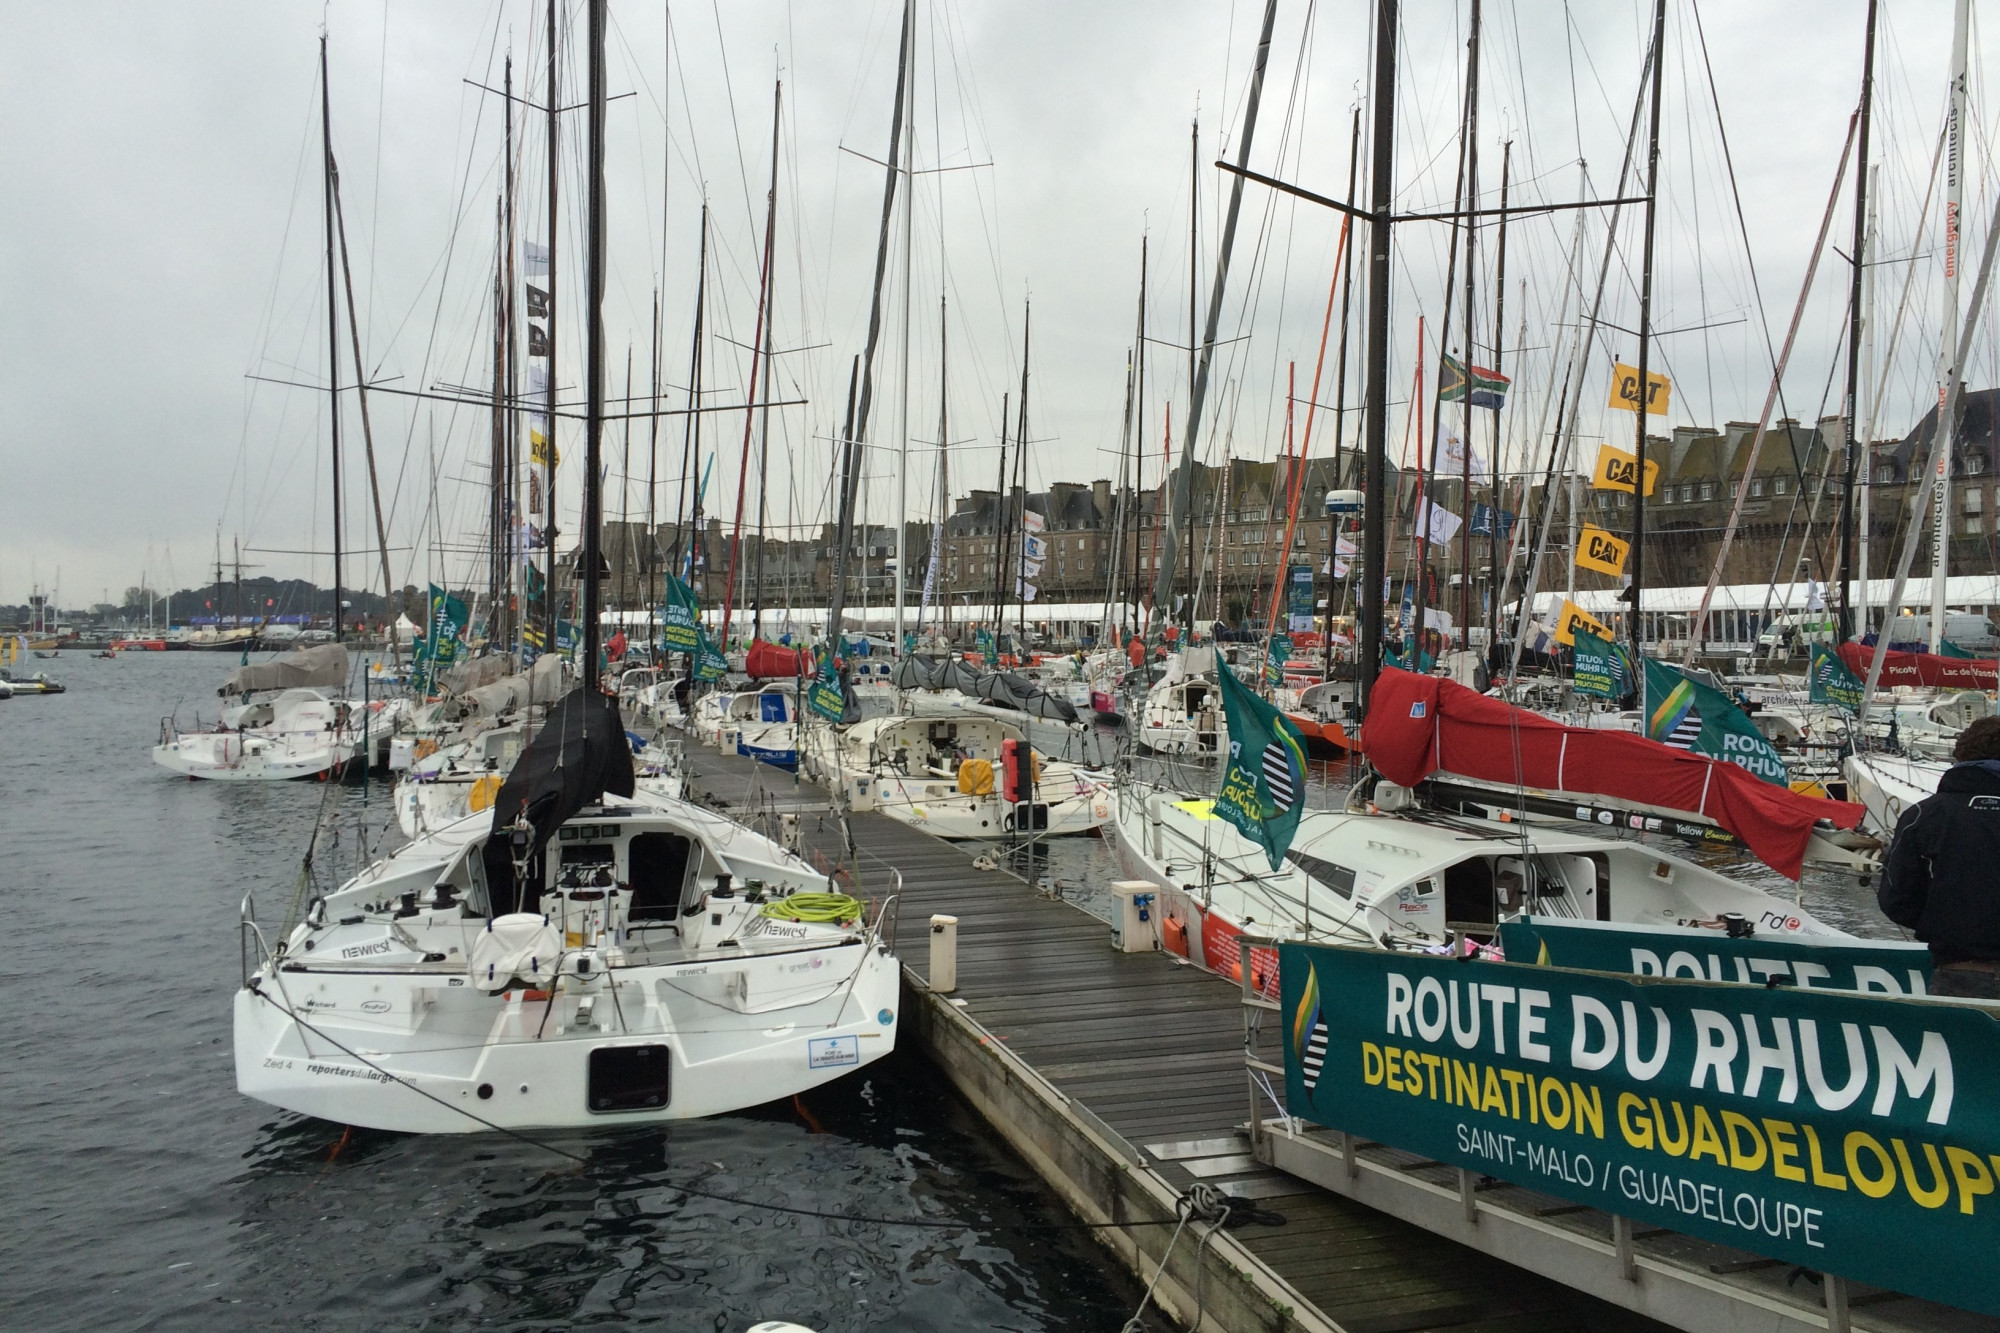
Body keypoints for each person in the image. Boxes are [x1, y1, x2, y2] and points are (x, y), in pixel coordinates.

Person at [1880, 714, 2000, 999]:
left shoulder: (1924, 815)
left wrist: (1945, 925)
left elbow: (1896, 898)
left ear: (1961, 756)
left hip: (1961, 971)